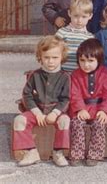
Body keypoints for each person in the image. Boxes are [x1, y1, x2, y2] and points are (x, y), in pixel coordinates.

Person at [12, 36, 70, 167]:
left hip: (55, 112)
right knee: (19, 120)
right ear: (40, 57)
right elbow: (27, 95)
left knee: (65, 120)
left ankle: (58, 152)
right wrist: (37, 113)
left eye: (55, 58)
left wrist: (55, 113)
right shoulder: (35, 75)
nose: (50, 61)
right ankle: (30, 152)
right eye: (46, 57)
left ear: (62, 57)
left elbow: (66, 99)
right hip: (36, 111)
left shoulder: (65, 77)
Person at [69, 38, 107, 167]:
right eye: (82, 60)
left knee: (100, 124)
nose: (86, 65)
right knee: (77, 123)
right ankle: (76, 154)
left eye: (91, 61)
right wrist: (79, 109)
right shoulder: (75, 74)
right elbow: (74, 94)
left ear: (98, 60)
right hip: (82, 108)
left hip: (99, 108)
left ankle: (95, 154)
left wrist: (104, 111)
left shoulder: (106, 73)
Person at [55, 0, 94, 72]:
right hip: (63, 74)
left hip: (81, 76)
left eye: (84, 17)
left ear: (90, 16)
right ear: (69, 13)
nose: (79, 20)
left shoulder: (90, 37)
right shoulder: (62, 33)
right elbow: (53, 52)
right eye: (76, 16)